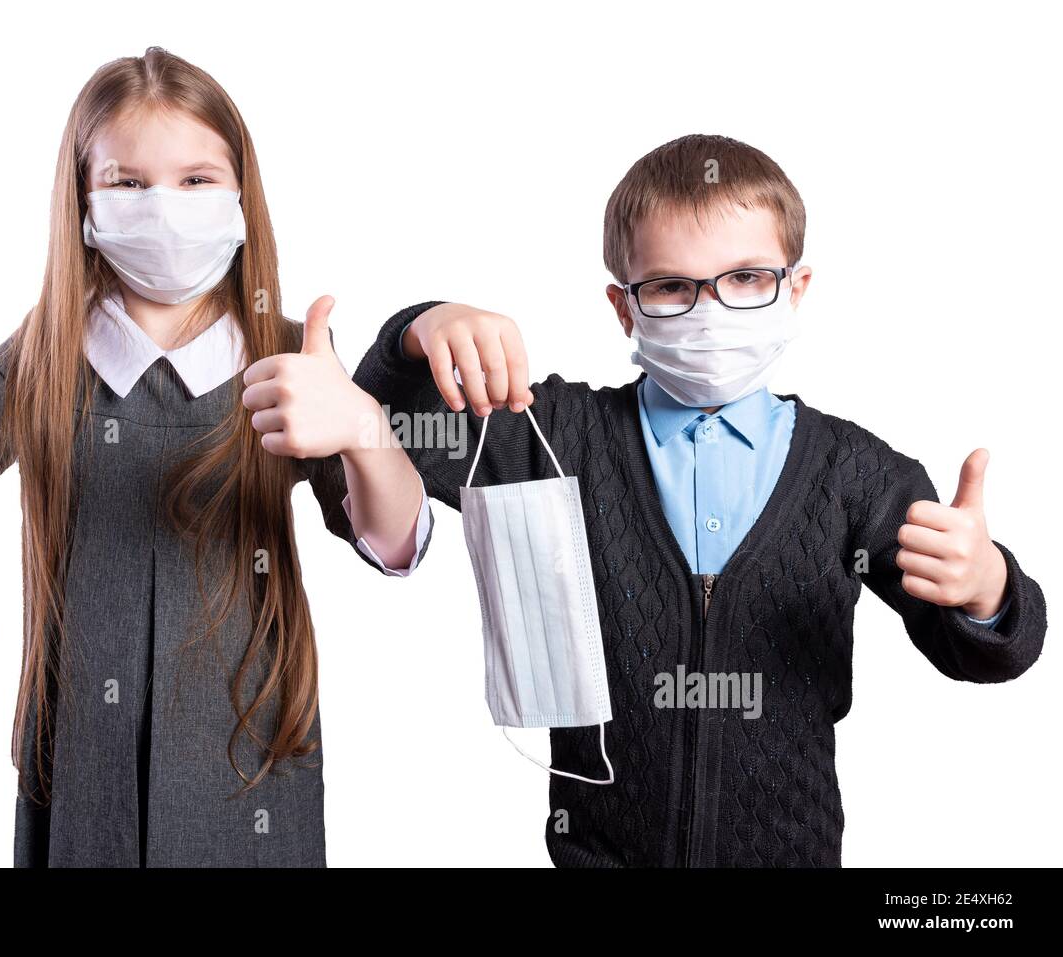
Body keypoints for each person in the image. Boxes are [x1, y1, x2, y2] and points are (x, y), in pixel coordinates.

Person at [0, 47, 432, 867]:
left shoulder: (287, 354)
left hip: (251, 774)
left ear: (241, 195)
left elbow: (397, 542)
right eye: (128, 182)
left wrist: (365, 428)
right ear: (85, 201)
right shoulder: (46, 352)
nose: (163, 207)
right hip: (81, 786)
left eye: (196, 180)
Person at [353, 133, 1047, 867]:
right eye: (672, 286)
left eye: (746, 277)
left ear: (796, 288)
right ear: (625, 306)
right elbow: (377, 428)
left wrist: (987, 589)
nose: (710, 311)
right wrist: (417, 329)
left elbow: (985, 650)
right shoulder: (554, 437)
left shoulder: (855, 473)